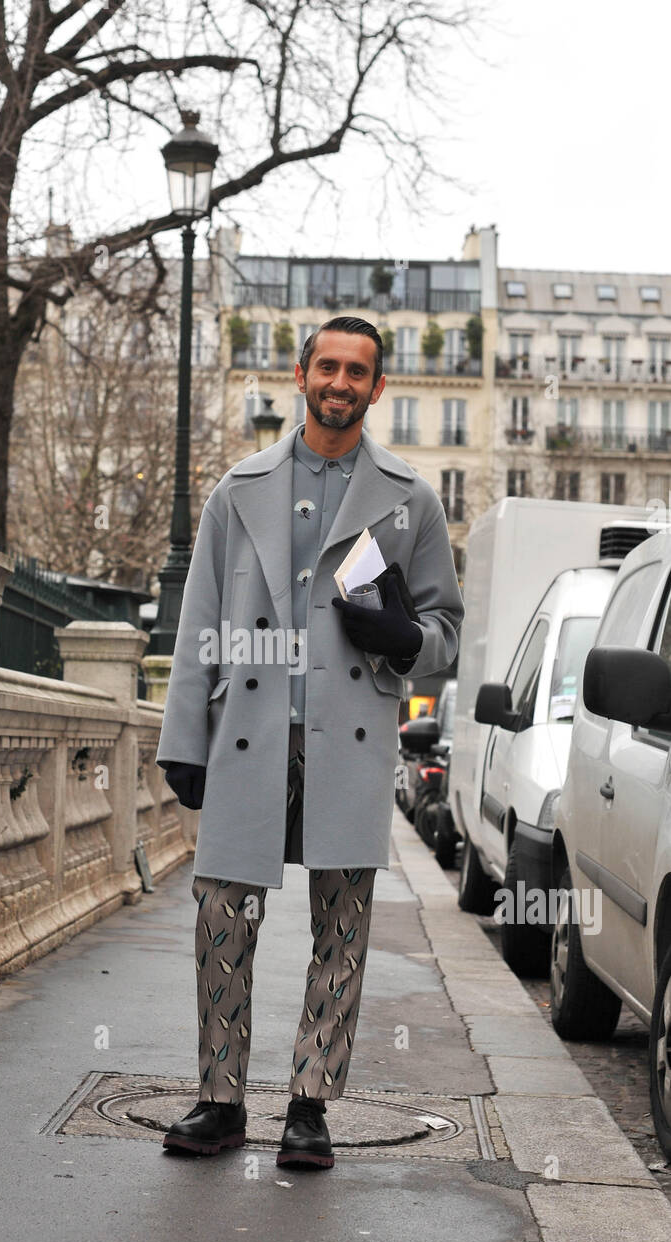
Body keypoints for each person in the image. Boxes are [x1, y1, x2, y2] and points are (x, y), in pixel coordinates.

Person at [156, 316, 464, 1169]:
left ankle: (309, 1106)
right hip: (247, 733)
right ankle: (219, 1102)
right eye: (326, 366)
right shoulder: (239, 487)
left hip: (351, 738)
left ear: (377, 388)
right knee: (222, 916)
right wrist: (183, 736)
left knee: (343, 929)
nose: (339, 381)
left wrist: (406, 640)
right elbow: (199, 626)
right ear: (300, 376)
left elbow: (446, 632)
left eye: (355, 371)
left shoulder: (411, 499)